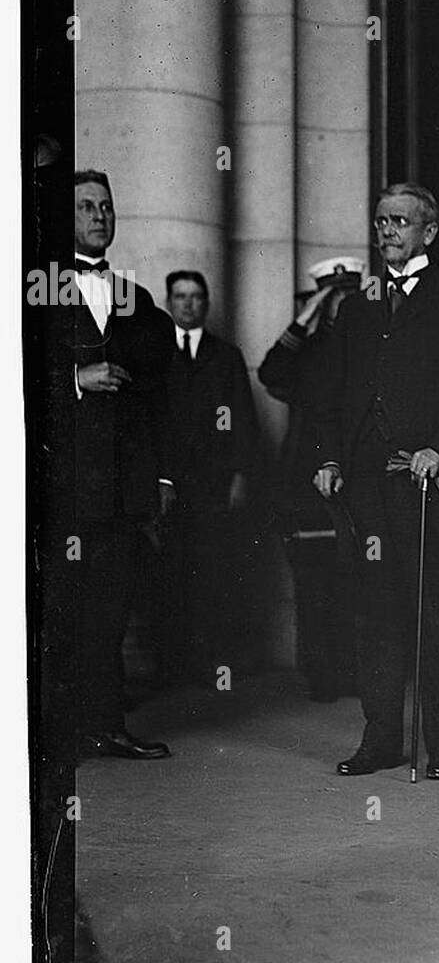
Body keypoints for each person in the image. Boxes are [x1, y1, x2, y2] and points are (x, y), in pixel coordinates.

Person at [313, 183, 439, 781]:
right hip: (367, 484)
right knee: (375, 613)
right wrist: (331, 458)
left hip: (429, 483)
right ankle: (381, 739)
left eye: (400, 221)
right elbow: (337, 392)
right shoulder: (359, 304)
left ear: (430, 232)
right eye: (380, 221)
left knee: (436, 615)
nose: (387, 230)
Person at [43, 171, 175, 759]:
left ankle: (107, 725)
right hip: (61, 486)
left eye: (106, 206)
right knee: (58, 609)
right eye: (85, 207)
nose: (99, 216)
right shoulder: (36, 287)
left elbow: (162, 396)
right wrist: (75, 378)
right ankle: (52, 738)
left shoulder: (138, 300)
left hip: (121, 489)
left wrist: (163, 477)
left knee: (110, 610)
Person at [258, 256, 365, 703]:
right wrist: (306, 316)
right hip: (307, 476)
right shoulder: (310, 347)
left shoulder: (373, 342)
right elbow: (271, 373)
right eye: (332, 295)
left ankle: (357, 670)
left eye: (348, 295)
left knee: (358, 578)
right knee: (314, 579)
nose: (341, 304)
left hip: (360, 473)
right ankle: (322, 673)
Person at [158, 270, 259, 685]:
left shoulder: (226, 356)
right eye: (180, 297)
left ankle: (214, 668)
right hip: (169, 486)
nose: (188, 304)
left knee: (215, 577)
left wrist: (239, 475)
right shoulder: (156, 353)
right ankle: (171, 670)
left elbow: (244, 423)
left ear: (207, 303)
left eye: (196, 297)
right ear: (169, 302)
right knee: (169, 578)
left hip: (214, 485)